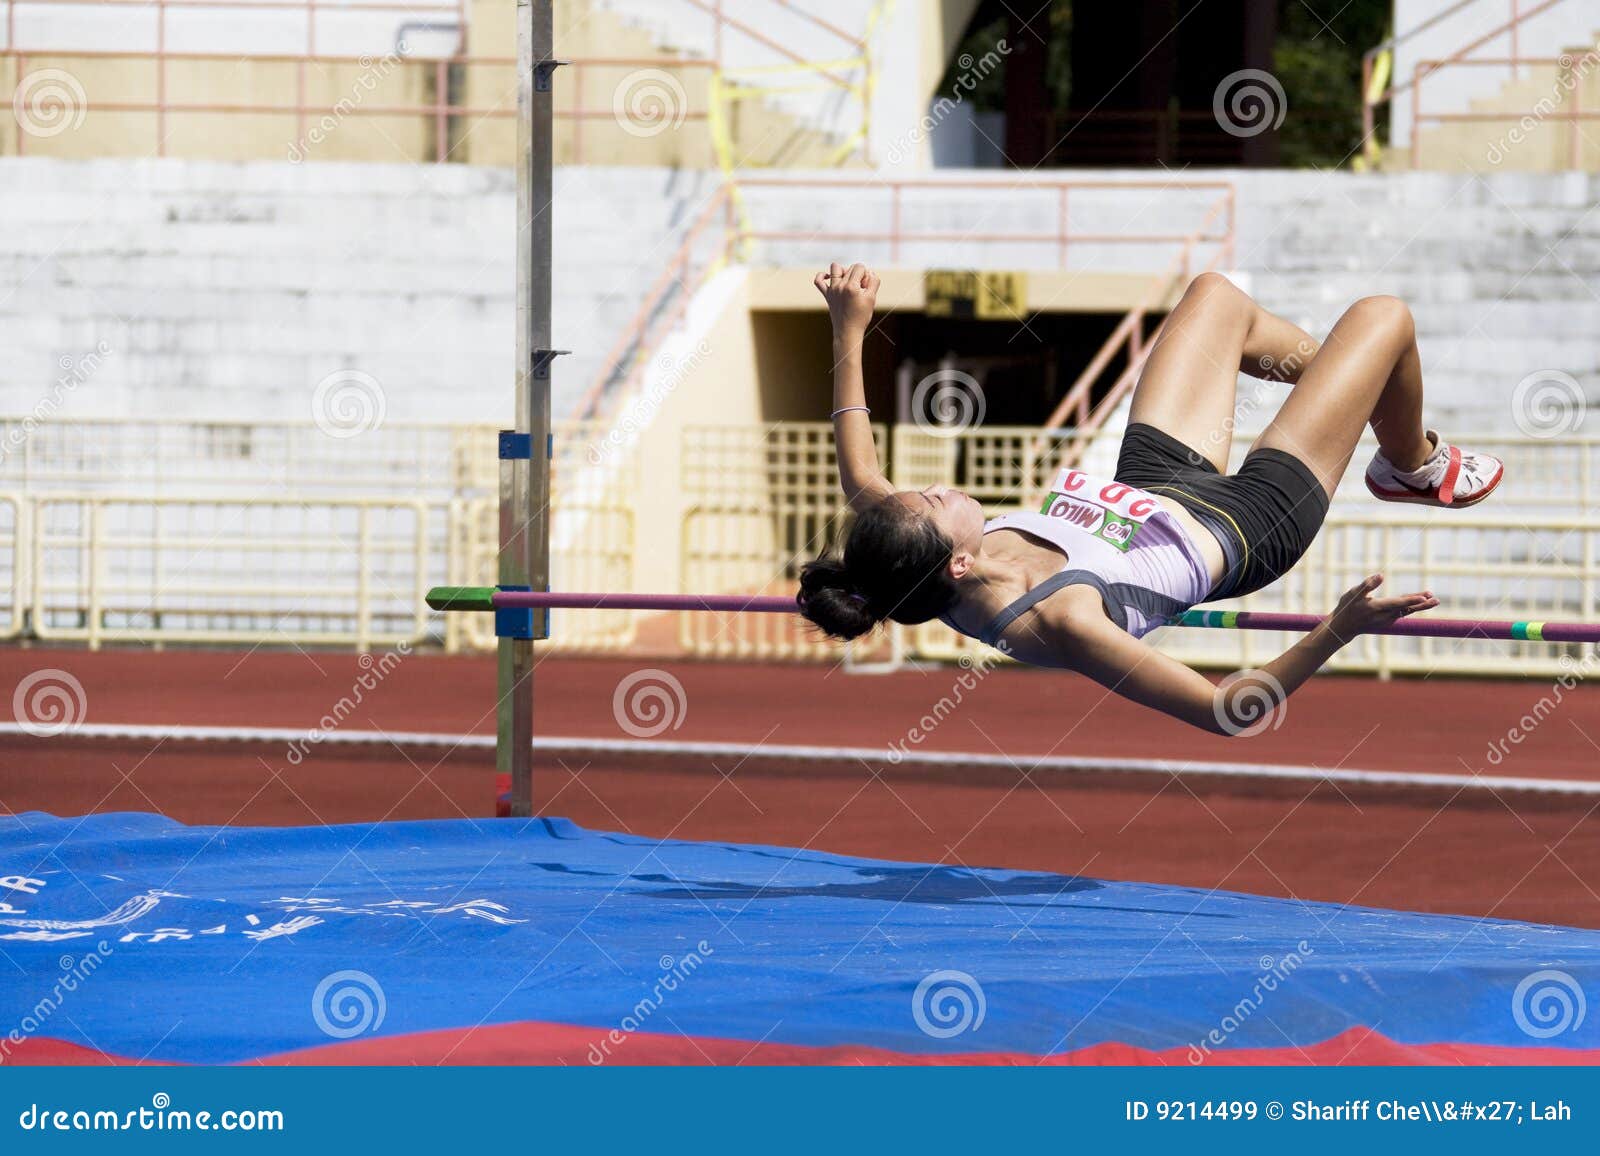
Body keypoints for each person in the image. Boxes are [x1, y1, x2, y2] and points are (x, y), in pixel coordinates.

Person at [797, 262, 1504, 734]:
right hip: (1250, 523)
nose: (940, 488)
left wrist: (848, 327)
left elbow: (863, 480)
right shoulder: (1064, 619)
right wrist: (1338, 631)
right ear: (956, 564)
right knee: (1383, 318)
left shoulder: (909, 558)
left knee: (1216, 298)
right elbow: (1229, 712)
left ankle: (1368, 399)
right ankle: (1411, 462)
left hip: (1152, 481)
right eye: (932, 500)